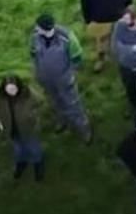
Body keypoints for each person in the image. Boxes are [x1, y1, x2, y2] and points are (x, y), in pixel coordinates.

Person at [29, 14, 93, 144]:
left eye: (38, 27)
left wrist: (68, 73)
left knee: (72, 103)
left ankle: (83, 128)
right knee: (54, 100)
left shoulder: (66, 37)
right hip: (45, 78)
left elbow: (76, 57)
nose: (36, 29)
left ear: (46, 28)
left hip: (63, 78)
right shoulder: (35, 37)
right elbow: (33, 54)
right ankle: (61, 120)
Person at [81, 0, 134, 72]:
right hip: (101, 22)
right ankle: (101, 60)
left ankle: (126, 58)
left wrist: (127, 13)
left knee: (123, 40)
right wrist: (88, 21)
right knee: (101, 42)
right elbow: (85, 7)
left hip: (119, 19)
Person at [0, 75, 45, 182]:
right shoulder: (0, 98)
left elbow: (40, 101)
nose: (11, 91)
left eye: (13, 88)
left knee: (34, 148)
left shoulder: (27, 94)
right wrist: (0, 123)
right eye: (8, 89)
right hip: (12, 131)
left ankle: (38, 164)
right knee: (18, 149)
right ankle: (22, 162)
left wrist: (33, 116)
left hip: (29, 129)